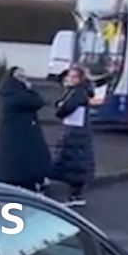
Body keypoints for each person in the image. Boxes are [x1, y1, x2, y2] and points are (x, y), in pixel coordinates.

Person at [0, 67, 51, 192]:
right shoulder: (16, 95)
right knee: (24, 161)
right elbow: (37, 101)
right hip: (20, 135)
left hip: (16, 135)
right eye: (21, 77)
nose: (24, 80)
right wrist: (29, 89)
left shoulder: (7, 92)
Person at [49, 66, 96, 207]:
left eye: (73, 77)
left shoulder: (78, 92)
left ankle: (75, 195)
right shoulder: (76, 90)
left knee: (73, 161)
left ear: (80, 79)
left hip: (75, 134)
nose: (69, 79)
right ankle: (75, 193)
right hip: (76, 132)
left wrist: (60, 107)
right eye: (69, 76)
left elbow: (65, 108)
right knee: (74, 161)